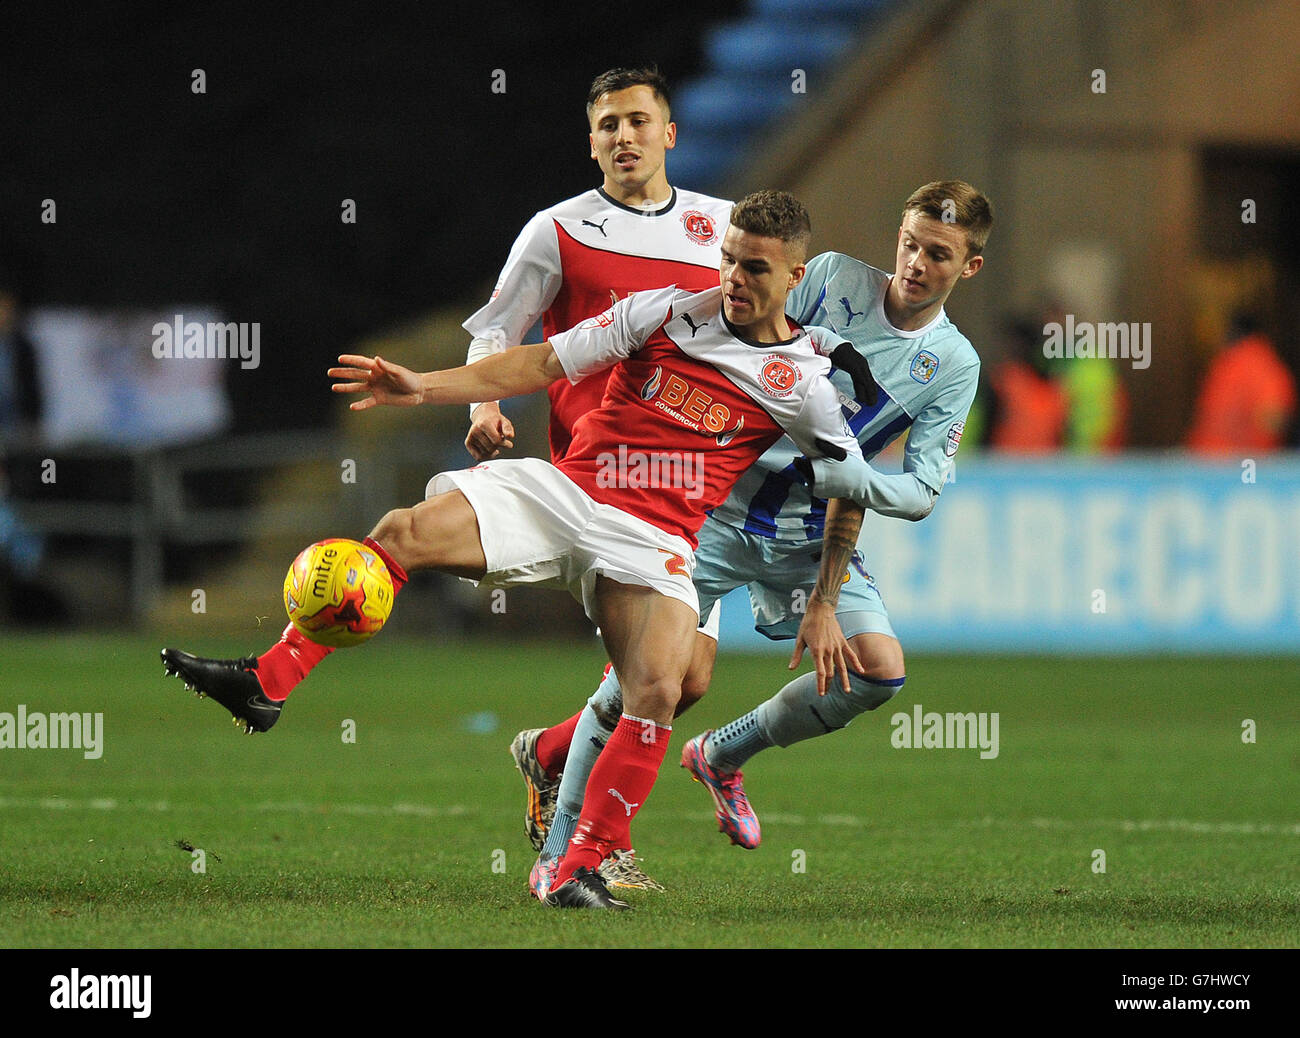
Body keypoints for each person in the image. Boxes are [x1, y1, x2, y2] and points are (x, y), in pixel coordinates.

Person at [162, 190, 866, 911]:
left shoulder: (805, 381)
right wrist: (425, 386)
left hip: (655, 540)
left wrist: (826, 599)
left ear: (795, 276)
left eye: (753, 268)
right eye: (726, 261)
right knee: (402, 531)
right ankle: (269, 680)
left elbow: (848, 487)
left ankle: (574, 869)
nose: (733, 280)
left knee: (658, 688)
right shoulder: (665, 310)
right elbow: (539, 364)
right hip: (567, 496)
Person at [518, 181, 991, 894]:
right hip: (710, 506)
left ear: (970, 267)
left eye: (939, 254)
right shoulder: (829, 278)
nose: (917, 263)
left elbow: (915, 489)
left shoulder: (952, 365)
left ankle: (719, 756)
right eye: (910, 243)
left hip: (804, 531)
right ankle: (563, 852)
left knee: (878, 671)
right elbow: (731, 334)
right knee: (658, 683)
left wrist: (828, 586)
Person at [1186, 311, 1297, 453]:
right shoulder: (1233, 362)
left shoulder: (1255, 364)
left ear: (1232, 332)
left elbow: (1272, 417)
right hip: (1223, 462)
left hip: (1233, 463)